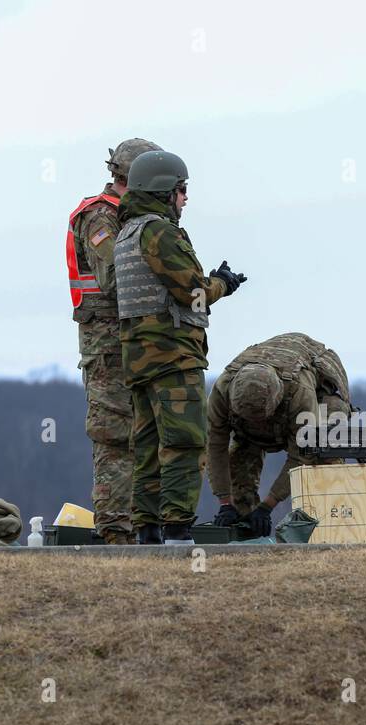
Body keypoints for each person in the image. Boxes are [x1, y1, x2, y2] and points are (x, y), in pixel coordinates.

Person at [113, 149, 247, 544]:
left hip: (139, 360)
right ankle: (176, 532)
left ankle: (149, 531)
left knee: (149, 447)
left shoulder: (126, 234)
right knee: (185, 442)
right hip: (172, 356)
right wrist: (222, 284)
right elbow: (193, 294)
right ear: (164, 191)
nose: (185, 198)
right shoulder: (159, 232)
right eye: (181, 189)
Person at [65, 138, 160, 544]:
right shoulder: (101, 218)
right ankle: (116, 535)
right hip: (109, 347)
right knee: (116, 439)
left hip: (134, 341)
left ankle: (140, 528)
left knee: (144, 436)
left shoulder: (128, 215)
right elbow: (115, 278)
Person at [206, 333, 352, 536]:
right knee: (241, 456)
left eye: (260, 419)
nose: (256, 423)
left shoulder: (300, 396)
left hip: (318, 377)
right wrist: (225, 503)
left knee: (325, 449)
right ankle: (245, 531)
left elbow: (301, 455)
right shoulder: (222, 392)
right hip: (268, 381)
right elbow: (215, 446)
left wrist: (268, 505)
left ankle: (334, 527)